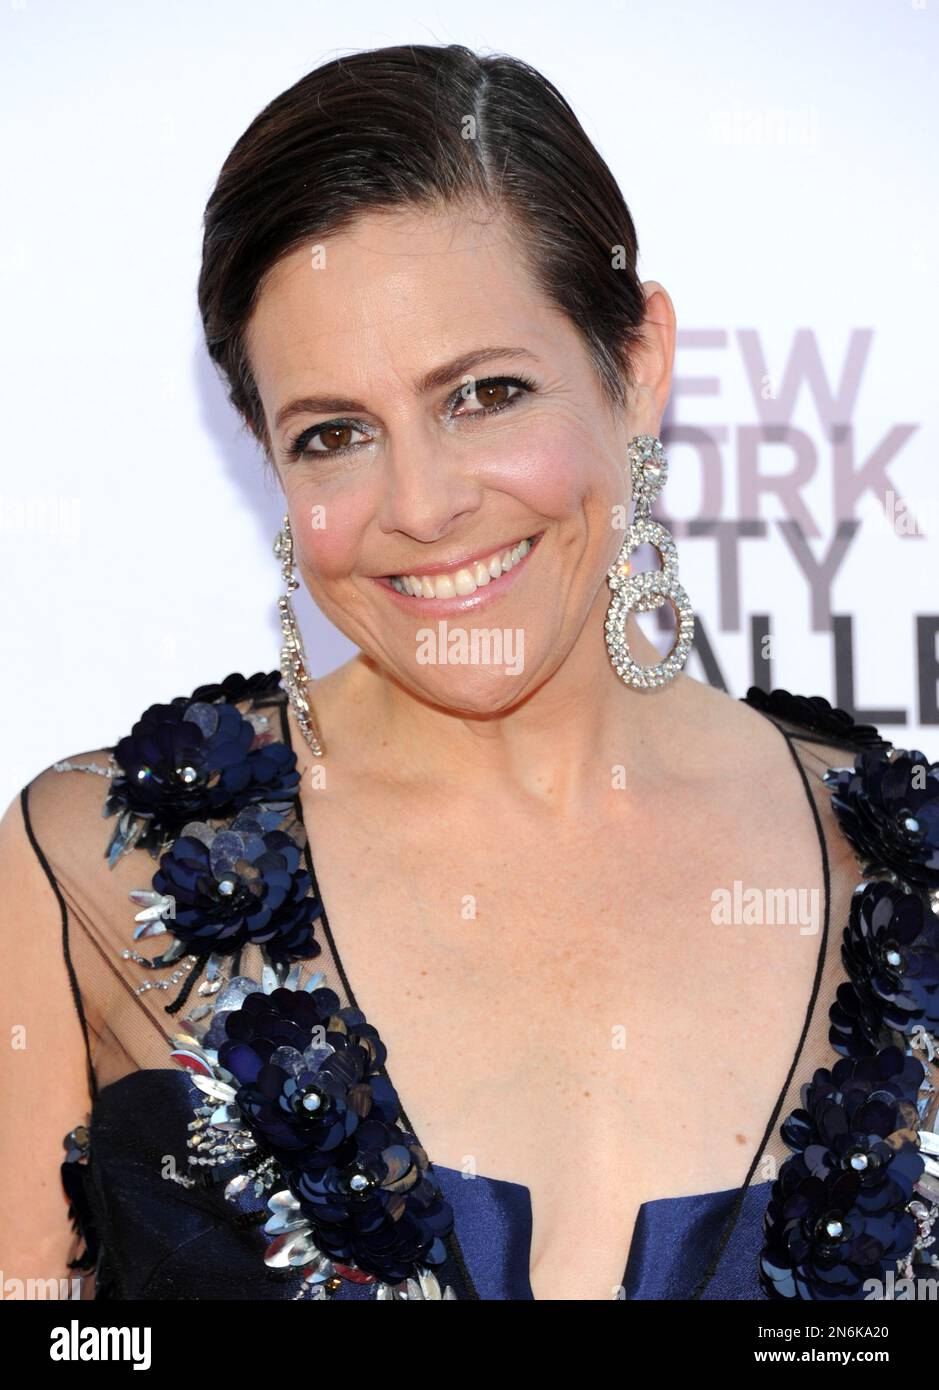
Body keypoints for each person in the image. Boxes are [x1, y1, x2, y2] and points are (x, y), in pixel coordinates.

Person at [1, 43, 937, 1304]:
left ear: (639, 365)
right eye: (333, 434)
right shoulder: (92, 876)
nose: (423, 506)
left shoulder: (903, 885)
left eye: (486, 394)